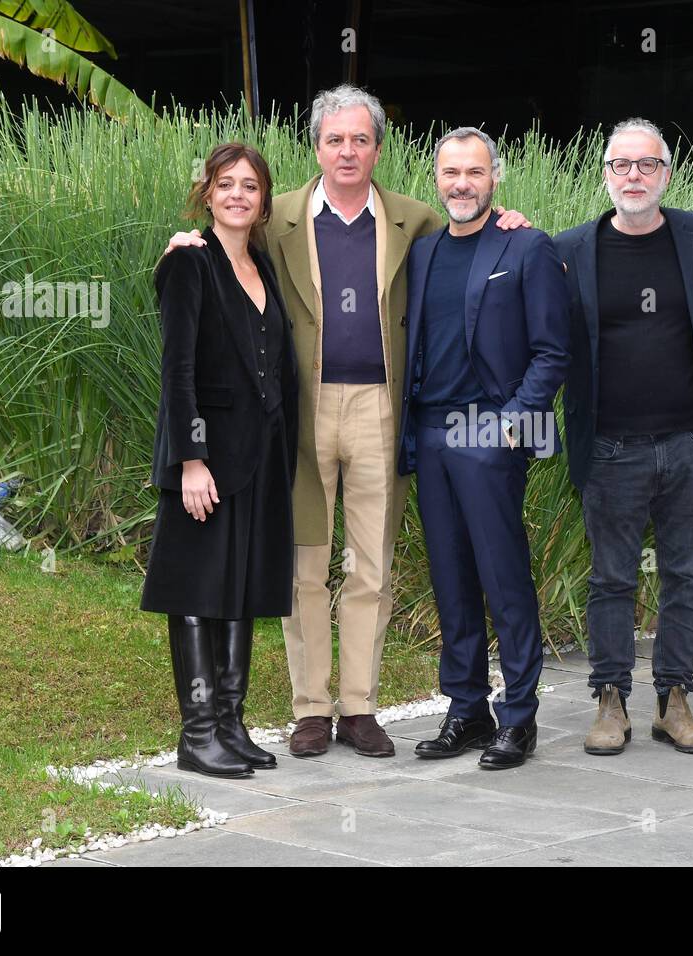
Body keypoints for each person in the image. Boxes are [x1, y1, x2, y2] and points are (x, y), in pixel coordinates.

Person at [163, 86, 530, 759]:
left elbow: (468, 228)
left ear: (378, 148)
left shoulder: (413, 220)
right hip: (299, 413)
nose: (347, 151)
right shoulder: (277, 219)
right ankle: (310, 708)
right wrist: (187, 243)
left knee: (370, 565)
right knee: (304, 561)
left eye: (360, 139)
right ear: (316, 148)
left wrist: (506, 217)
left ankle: (358, 707)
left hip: (380, 409)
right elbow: (222, 248)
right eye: (335, 139)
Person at [553, 118, 693, 757]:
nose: (634, 176)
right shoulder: (569, 248)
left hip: (689, 443)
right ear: (604, 174)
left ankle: (674, 701)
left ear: (666, 174)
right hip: (610, 446)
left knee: (686, 574)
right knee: (611, 578)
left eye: (646, 165)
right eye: (622, 165)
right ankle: (610, 701)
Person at [398, 127, 570, 770]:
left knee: (503, 577)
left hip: (490, 433)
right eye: (450, 173)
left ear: (494, 177)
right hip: (432, 434)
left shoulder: (525, 246)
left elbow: (554, 349)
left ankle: (518, 716)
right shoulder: (423, 253)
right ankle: (466, 709)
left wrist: (514, 421)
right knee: (451, 578)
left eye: (473, 172)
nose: (461, 184)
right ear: (436, 179)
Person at [142, 142, 299, 778]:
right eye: (226, 184)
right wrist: (190, 461)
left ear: (263, 201)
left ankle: (231, 726)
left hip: (260, 458)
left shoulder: (261, 262)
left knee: (241, 588)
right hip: (205, 461)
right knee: (196, 588)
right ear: (207, 193)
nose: (238, 194)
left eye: (251, 186)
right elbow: (178, 373)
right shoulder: (190, 263)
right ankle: (198, 732)